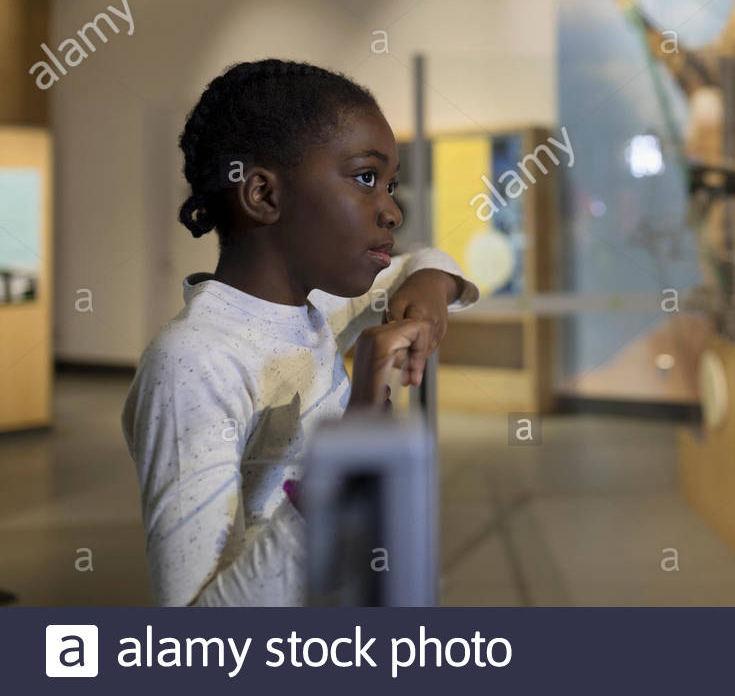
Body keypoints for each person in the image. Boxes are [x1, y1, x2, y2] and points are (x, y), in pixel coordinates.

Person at [121, 59, 479, 606]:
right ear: (263, 195)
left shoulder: (316, 309)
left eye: (391, 185)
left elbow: (423, 263)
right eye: (366, 178)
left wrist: (431, 285)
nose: (391, 211)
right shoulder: (192, 363)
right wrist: (348, 443)